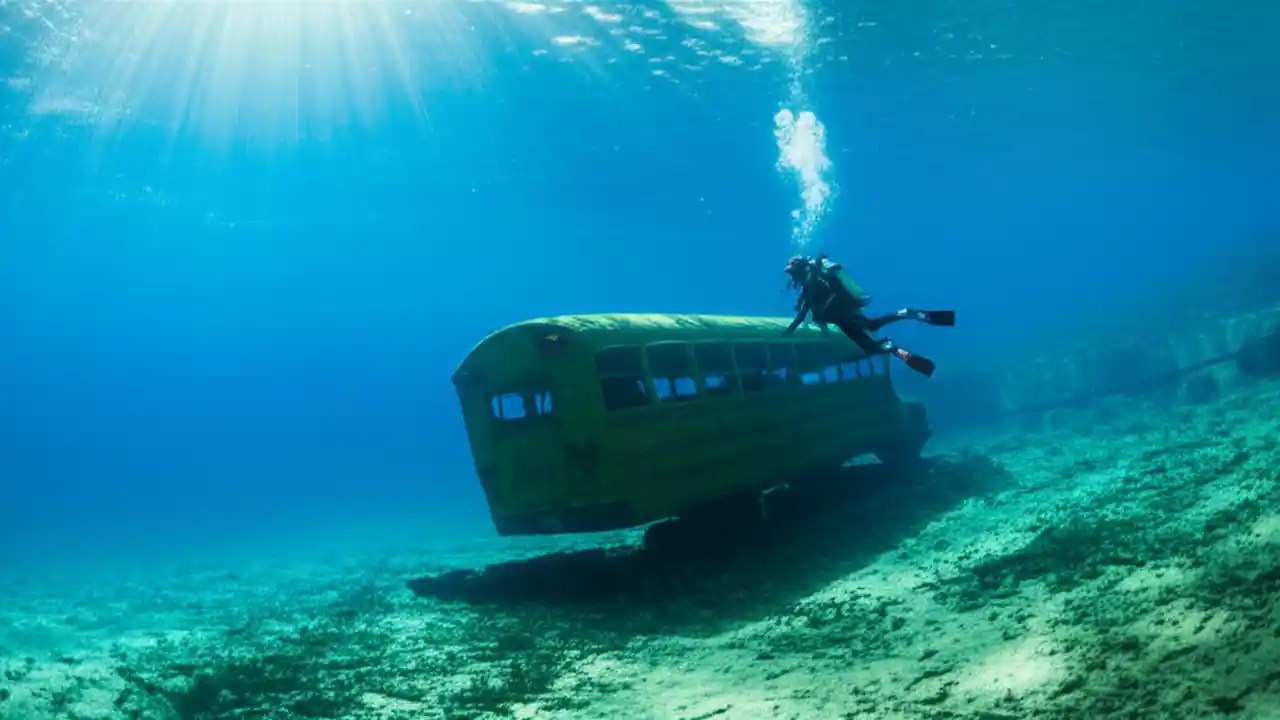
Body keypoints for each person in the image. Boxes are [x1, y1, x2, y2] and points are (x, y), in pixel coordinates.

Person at [782, 254, 954, 377]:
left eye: (793, 274)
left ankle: (892, 347)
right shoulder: (820, 279)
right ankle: (904, 313)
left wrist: (787, 333)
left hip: (844, 320)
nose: (793, 279)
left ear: (799, 271)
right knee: (872, 325)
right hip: (851, 312)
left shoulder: (811, 286)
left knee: (871, 346)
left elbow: (802, 315)